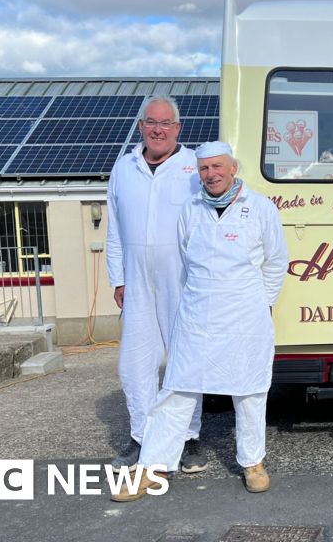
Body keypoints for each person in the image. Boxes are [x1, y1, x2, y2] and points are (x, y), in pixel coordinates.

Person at [112, 141, 287, 502]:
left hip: (245, 316)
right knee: (177, 390)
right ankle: (152, 468)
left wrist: (260, 303)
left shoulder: (260, 208)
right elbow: (183, 258)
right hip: (197, 316)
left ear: (233, 168)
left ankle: (253, 463)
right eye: (204, 168)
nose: (211, 174)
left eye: (218, 167)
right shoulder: (190, 210)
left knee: (249, 391)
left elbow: (276, 262)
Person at [105, 95, 206, 473]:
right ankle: (142, 436)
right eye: (151, 122)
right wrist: (118, 279)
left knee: (185, 359)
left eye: (166, 123)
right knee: (135, 363)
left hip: (182, 280)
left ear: (178, 128)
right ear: (141, 126)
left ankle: (188, 438)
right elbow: (114, 228)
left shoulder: (194, 167)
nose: (158, 130)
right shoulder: (124, 168)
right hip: (137, 282)